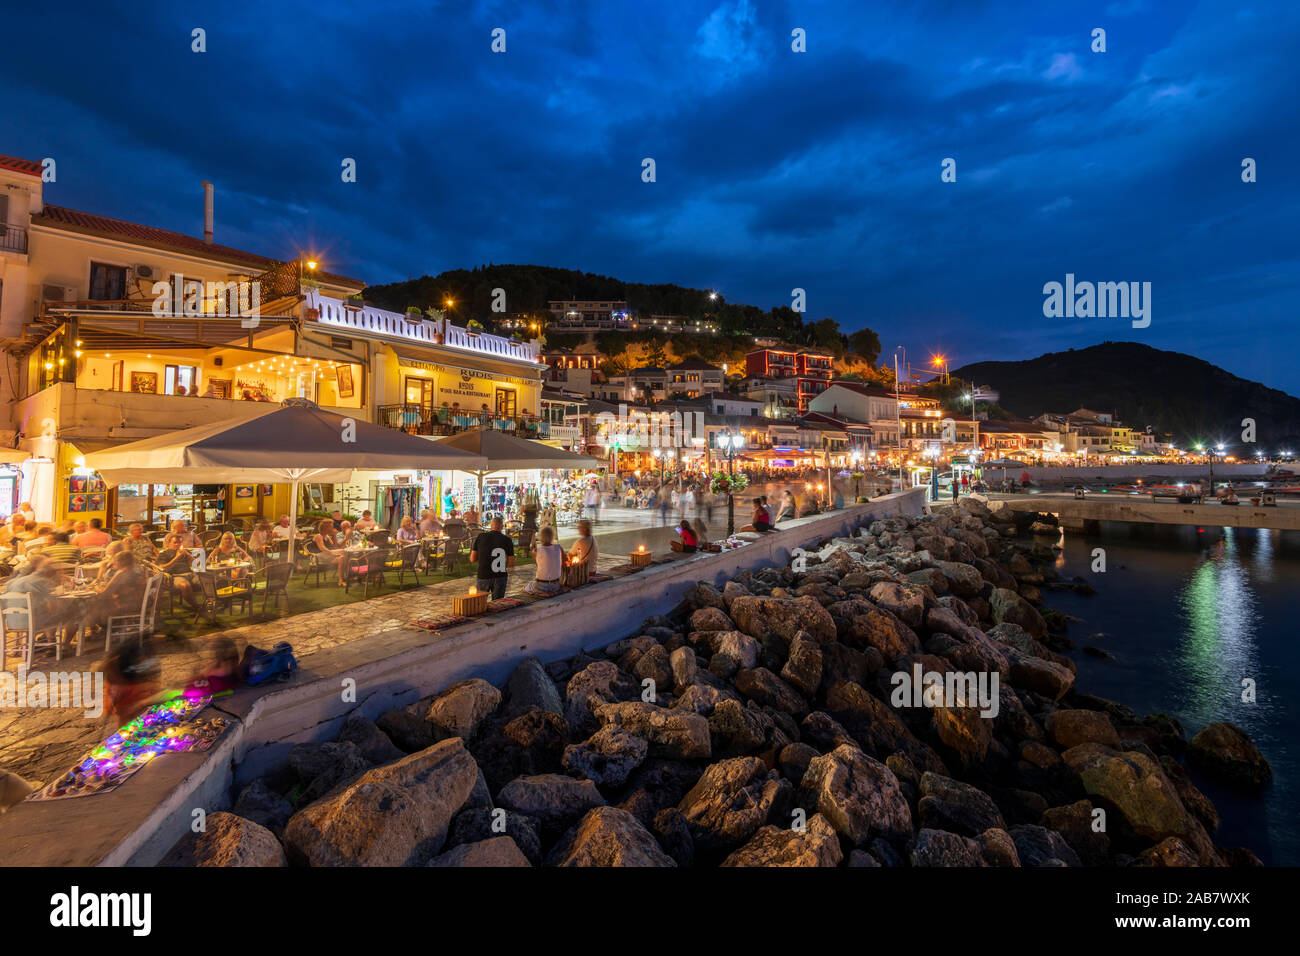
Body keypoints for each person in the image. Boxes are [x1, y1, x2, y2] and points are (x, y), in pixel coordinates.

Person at [470, 516, 515, 599]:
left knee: (480, 603)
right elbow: (511, 563)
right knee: (498, 603)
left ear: (491, 526)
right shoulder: (507, 540)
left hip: (484, 574)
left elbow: (472, 559)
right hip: (500, 575)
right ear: (501, 526)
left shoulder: (481, 537)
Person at [152, 532, 200, 610]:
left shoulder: (184, 552)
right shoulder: (164, 554)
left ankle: (212, 603)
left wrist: (188, 555)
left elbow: (196, 564)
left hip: (190, 574)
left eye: (180, 542)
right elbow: (161, 568)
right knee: (185, 585)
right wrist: (176, 558)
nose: (178, 544)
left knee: (207, 581)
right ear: (169, 544)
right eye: (175, 543)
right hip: (174, 576)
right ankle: (197, 607)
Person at [523, 526, 564, 595]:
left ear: (540, 537)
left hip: (541, 586)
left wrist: (533, 538)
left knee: (525, 588)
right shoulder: (558, 548)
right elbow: (564, 560)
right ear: (552, 536)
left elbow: (537, 564)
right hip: (556, 585)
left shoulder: (538, 550)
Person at [308, 519, 347, 586]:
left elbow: (335, 546)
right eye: (331, 526)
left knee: (342, 558)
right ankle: (348, 575)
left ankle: (341, 580)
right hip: (317, 556)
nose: (333, 528)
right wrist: (334, 553)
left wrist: (334, 535)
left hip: (327, 556)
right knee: (343, 551)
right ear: (326, 527)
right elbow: (322, 548)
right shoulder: (318, 536)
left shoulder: (327, 536)